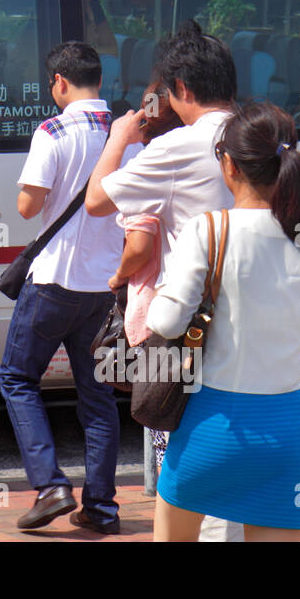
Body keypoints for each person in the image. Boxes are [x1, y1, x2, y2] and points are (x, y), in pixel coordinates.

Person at [84, 19, 244, 541]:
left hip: (191, 329)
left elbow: (97, 200)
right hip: (261, 325)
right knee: (236, 460)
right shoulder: (265, 139)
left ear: (181, 90)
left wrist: (119, 137)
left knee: (189, 465)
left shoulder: (178, 148)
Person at [148, 103, 300, 541]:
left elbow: (168, 321)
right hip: (287, 430)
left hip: (211, 427)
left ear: (229, 164)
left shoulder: (208, 230)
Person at [0, 42, 124, 533]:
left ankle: (50, 485)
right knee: (97, 397)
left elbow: (29, 208)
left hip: (53, 282)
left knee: (16, 377)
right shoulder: (126, 135)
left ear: (59, 82)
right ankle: (102, 508)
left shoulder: (52, 131)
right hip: (103, 290)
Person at [106, 81, 183, 471]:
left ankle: (172, 500)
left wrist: (117, 276)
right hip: (189, 310)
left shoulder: (151, 166)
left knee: (161, 414)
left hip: (156, 314)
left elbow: (138, 246)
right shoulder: (195, 159)